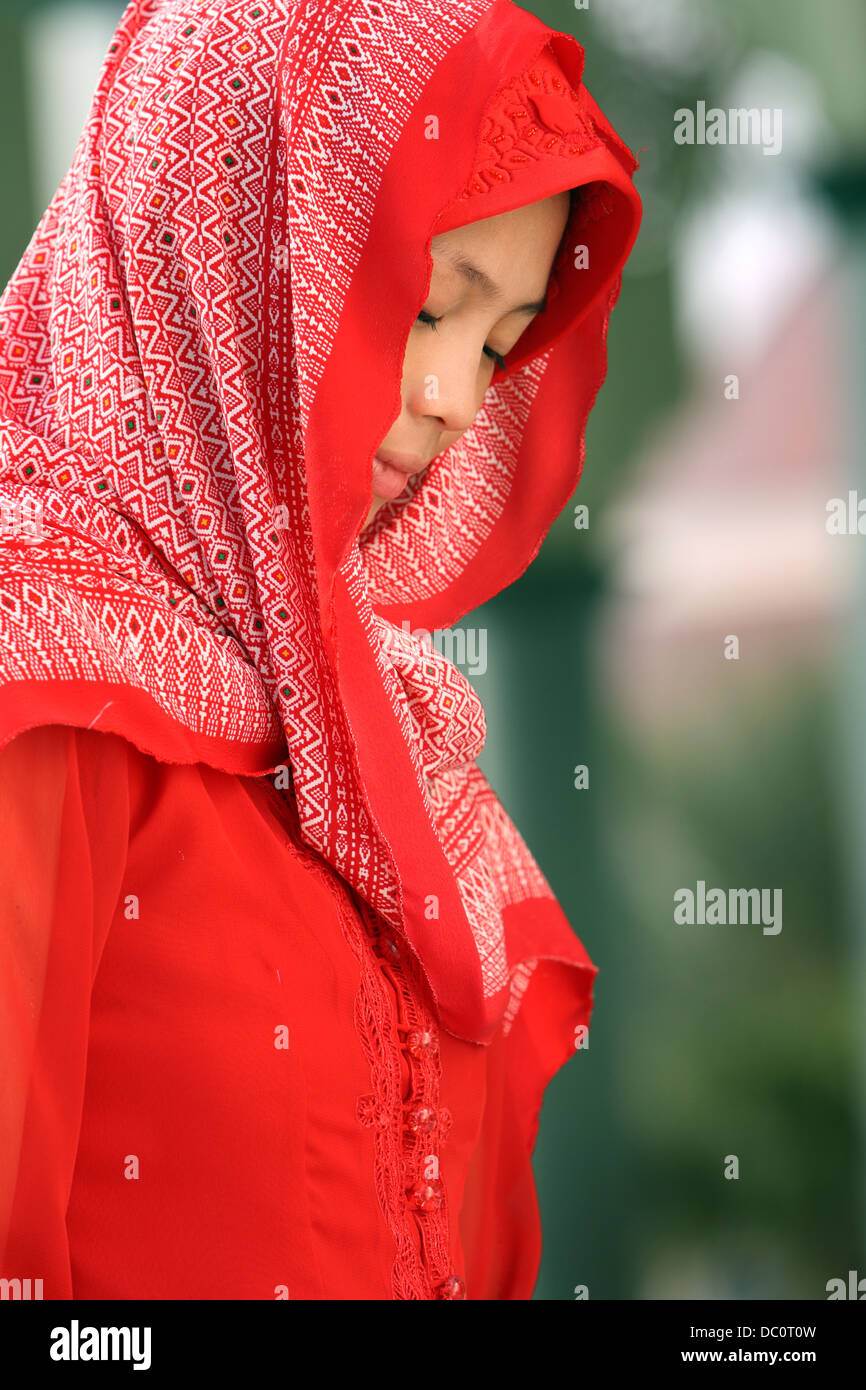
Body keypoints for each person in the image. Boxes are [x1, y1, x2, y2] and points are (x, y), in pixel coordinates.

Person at [0, 0, 641, 1300]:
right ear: (226, 250)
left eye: (499, 343)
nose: (457, 397)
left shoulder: (391, 748)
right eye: (426, 308)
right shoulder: (41, 670)